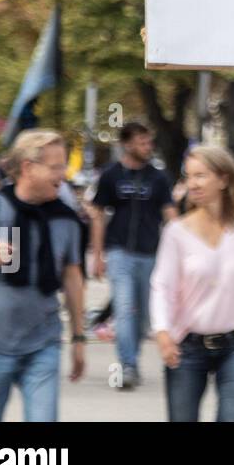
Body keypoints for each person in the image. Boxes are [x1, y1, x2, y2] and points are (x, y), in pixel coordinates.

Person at [0, 130, 85, 421]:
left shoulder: (65, 218)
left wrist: (79, 337)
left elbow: (72, 277)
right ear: (28, 168)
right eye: (56, 166)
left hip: (43, 344)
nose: (63, 174)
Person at [151, 145, 234, 422]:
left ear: (224, 180)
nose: (192, 183)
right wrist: (163, 332)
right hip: (186, 346)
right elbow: (162, 286)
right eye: (189, 176)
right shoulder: (176, 232)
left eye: (201, 175)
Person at [87, 122, 175, 390]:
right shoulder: (111, 175)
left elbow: (170, 215)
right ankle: (128, 365)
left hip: (150, 253)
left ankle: (131, 357)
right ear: (126, 144)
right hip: (119, 251)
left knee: (144, 317)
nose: (147, 147)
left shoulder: (158, 178)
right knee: (125, 310)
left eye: (149, 142)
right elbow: (98, 216)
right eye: (142, 142)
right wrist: (98, 254)